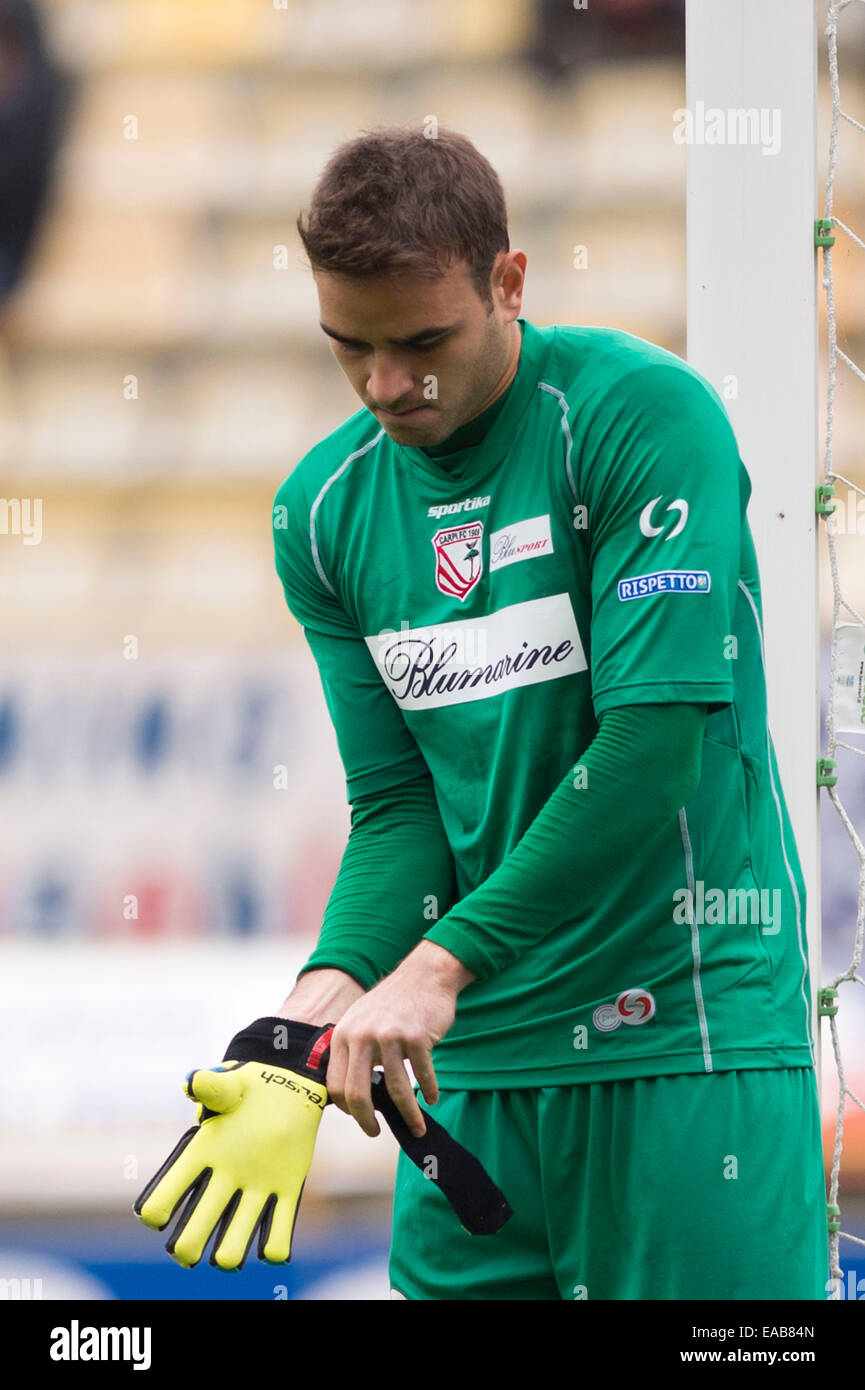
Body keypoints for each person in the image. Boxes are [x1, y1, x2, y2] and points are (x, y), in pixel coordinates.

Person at [139, 124, 829, 1300]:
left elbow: (653, 751)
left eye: (422, 341)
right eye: (345, 347)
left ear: (507, 281)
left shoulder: (638, 418)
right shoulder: (321, 509)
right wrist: (327, 990)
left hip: (681, 1047)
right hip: (466, 1089)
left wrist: (440, 962)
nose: (384, 385)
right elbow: (401, 804)